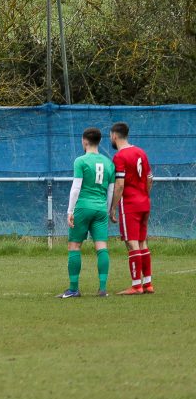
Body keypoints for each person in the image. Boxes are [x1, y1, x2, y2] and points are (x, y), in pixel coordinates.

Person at [59, 127, 115, 298]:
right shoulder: (109, 163)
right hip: (100, 208)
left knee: (74, 246)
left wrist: (70, 210)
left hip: (83, 207)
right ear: (99, 141)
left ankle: (74, 289)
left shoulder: (81, 161)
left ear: (84, 141)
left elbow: (76, 188)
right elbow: (111, 190)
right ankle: (103, 289)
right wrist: (107, 209)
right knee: (102, 246)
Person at [108, 122, 154, 295]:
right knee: (142, 241)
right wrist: (144, 194)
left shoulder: (120, 156)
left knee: (131, 241)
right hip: (144, 202)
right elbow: (150, 178)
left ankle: (136, 286)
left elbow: (120, 184)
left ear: (114, 135)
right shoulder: (141, 151)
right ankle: (148, 283)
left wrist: (113, 207)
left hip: (130, 205)